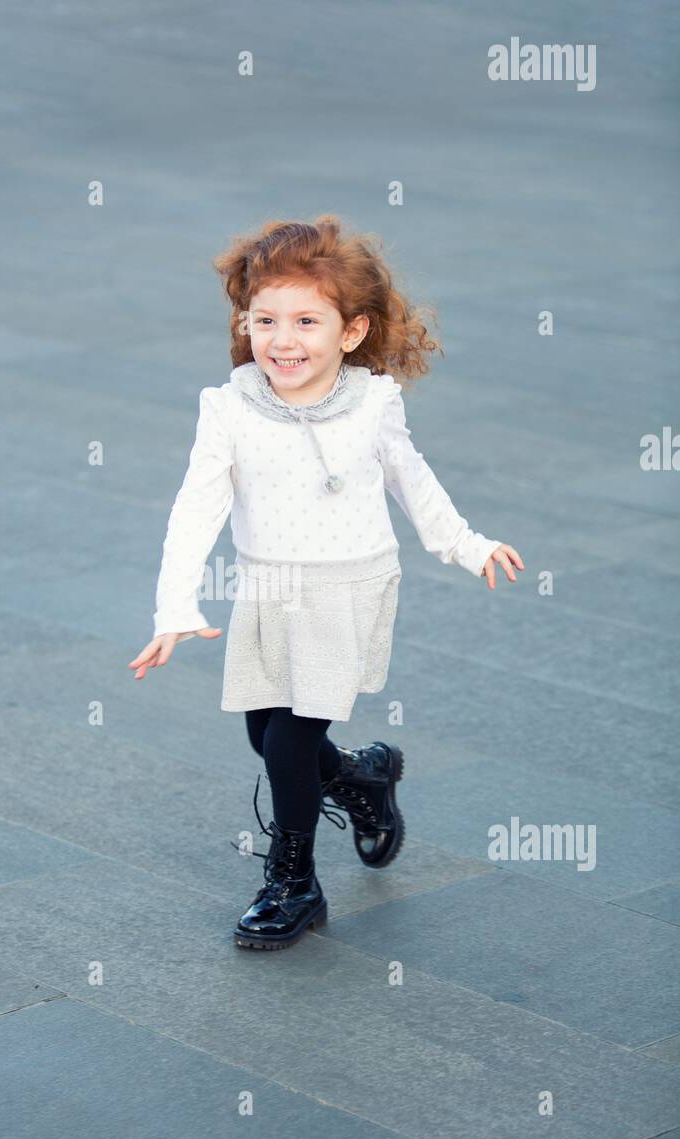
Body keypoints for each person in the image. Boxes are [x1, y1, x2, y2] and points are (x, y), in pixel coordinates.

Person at [128, 214, 523, 951]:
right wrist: (175, 604)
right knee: (263, 731)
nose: (283, 340)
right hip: (267, 590)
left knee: (289, 738)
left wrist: (463, 544)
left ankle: (294, 882)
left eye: (307, 320)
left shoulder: (372, 401)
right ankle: (363, 781)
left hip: (349, 587)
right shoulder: (228, 409)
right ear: (245, 324)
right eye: (265, 320)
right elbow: (195, 509)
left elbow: (412, 479)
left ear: (349, 332)